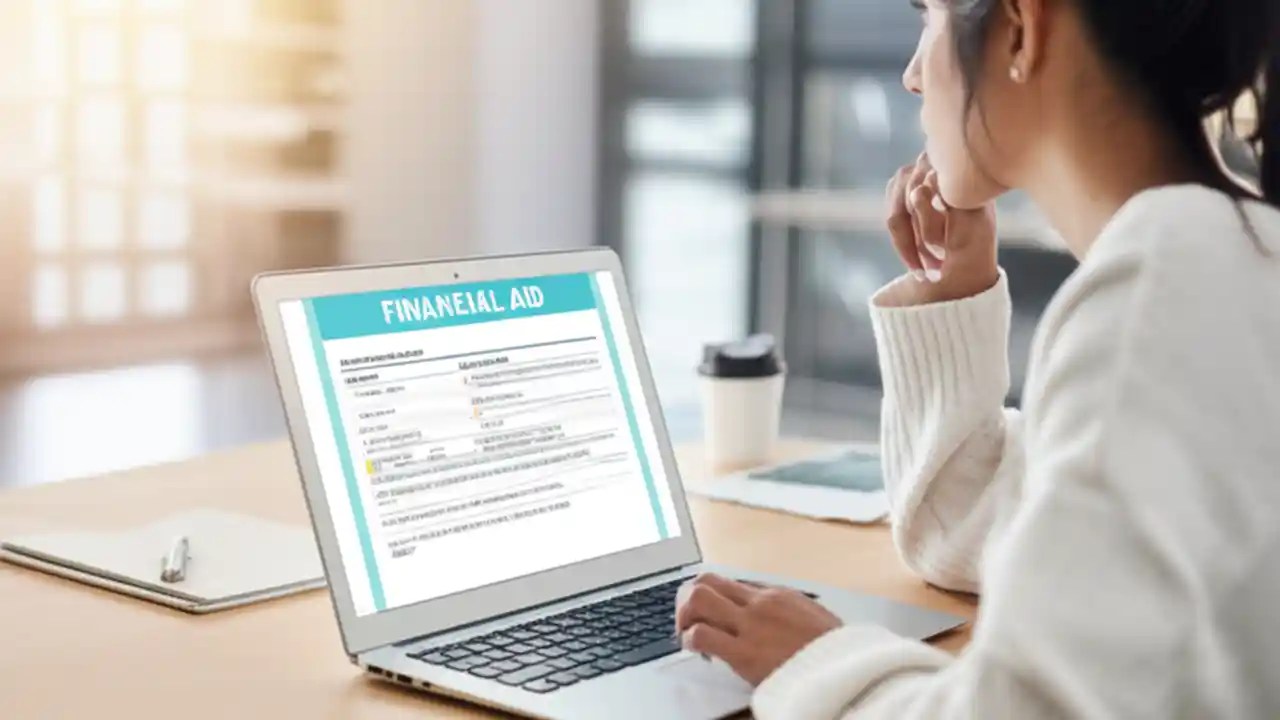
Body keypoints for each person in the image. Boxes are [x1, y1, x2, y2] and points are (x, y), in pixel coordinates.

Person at [673, 0, 1280, 717]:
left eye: (928, 16)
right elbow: (976, 528)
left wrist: (819, 664)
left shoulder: (1161, 287)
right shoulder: (1227, 255)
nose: (910, 75)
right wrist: (953, 289)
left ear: (1021, 26)